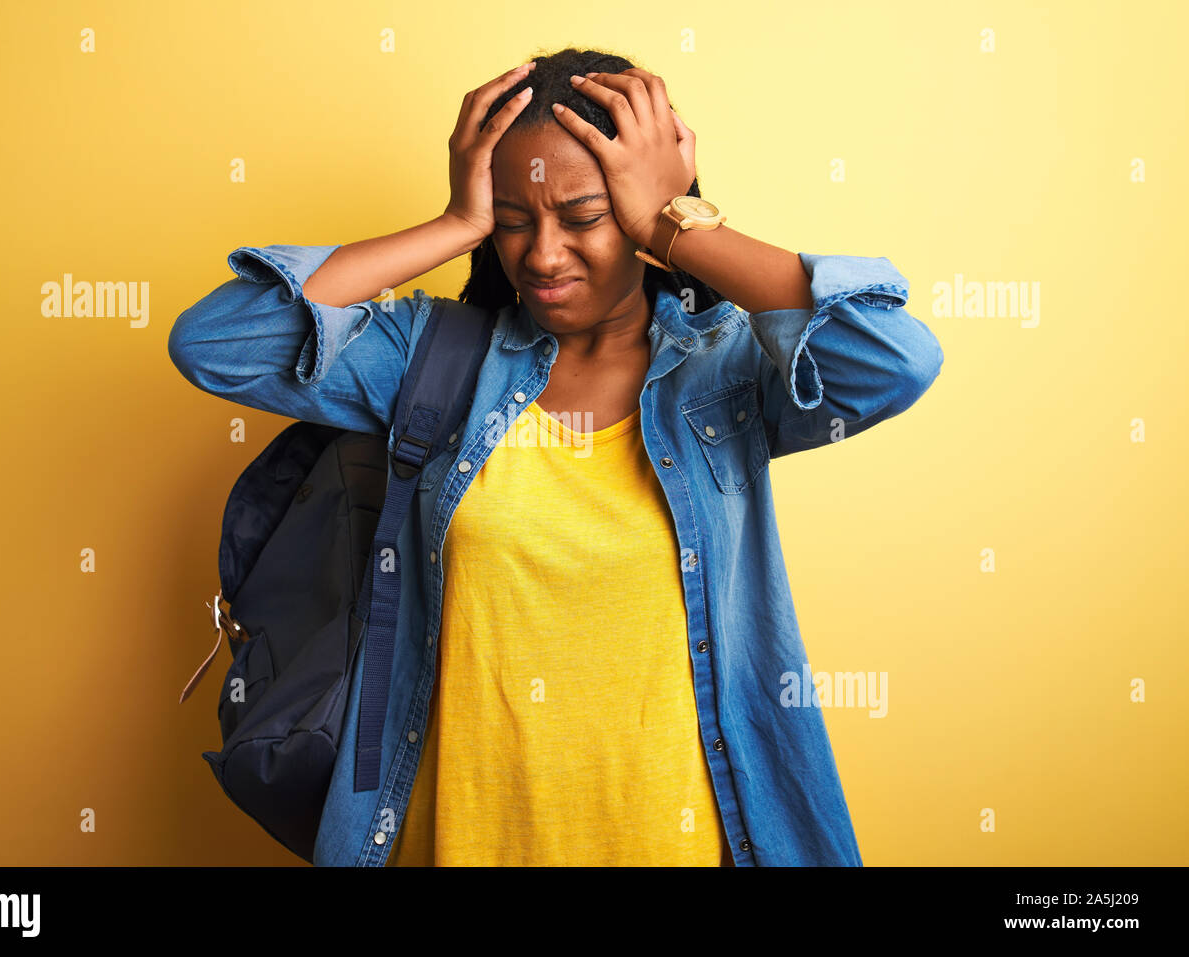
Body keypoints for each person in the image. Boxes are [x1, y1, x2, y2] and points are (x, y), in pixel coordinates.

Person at [168, 46, 944, 866]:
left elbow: (895, 358)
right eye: (511, 220)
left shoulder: (726, 374)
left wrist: (673, 222)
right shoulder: (430, 360)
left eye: (582, 217)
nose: (540, 255)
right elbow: (216, 342)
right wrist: (452, 225)